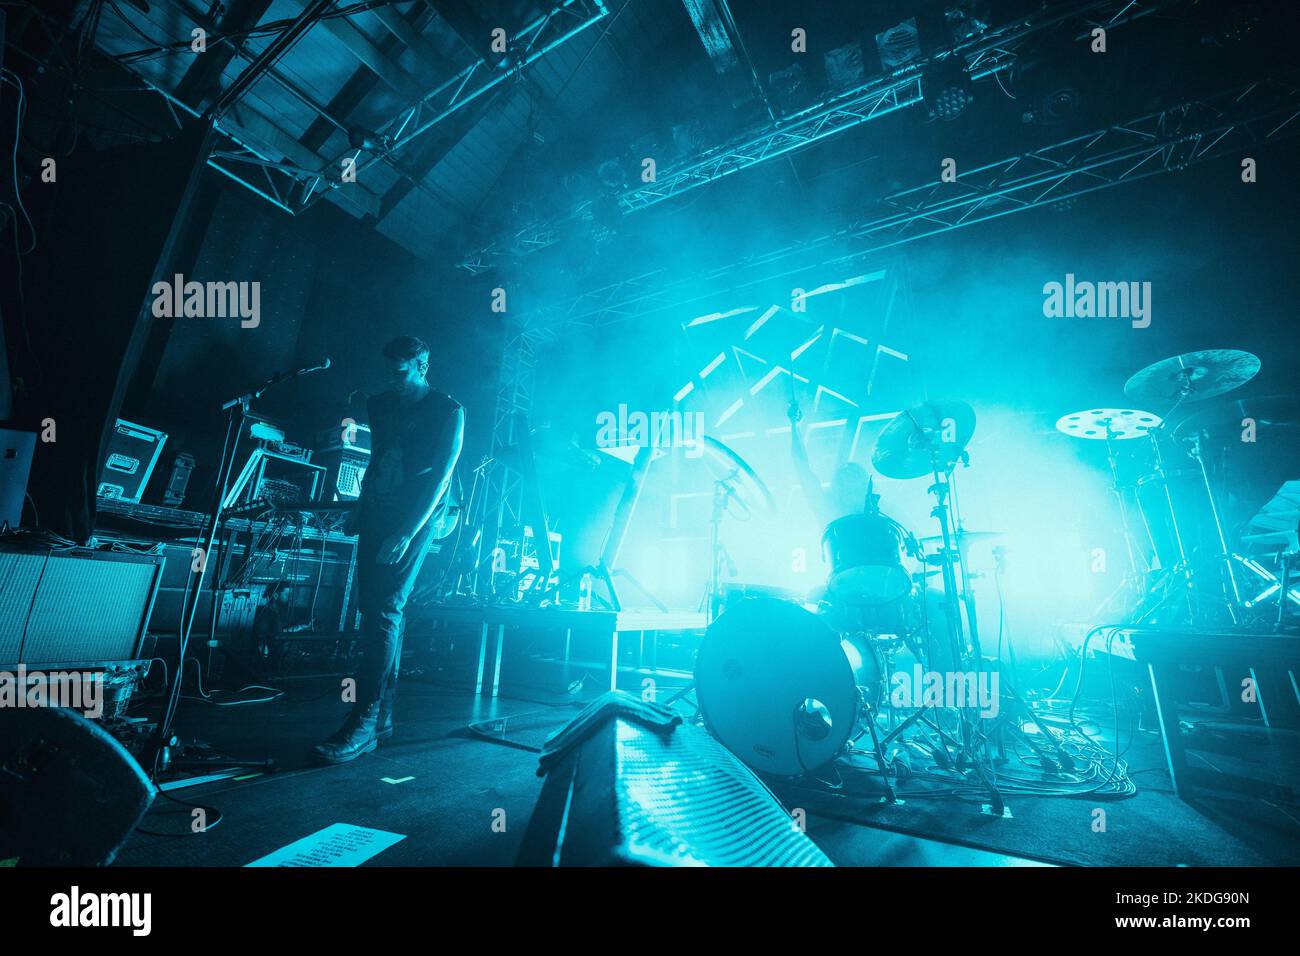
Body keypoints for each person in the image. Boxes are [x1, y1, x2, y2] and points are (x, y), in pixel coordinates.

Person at [311, 335, 464, 764]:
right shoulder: (379, 405)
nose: (392, 379)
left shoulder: (448, 410)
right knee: (373, 611)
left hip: (415, 518)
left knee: (385, 611)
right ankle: (381, 716)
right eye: (388, 371)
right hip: (377, 511)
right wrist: (362, 506)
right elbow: (377, 457)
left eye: (401, 372)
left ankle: (362, 721)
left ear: (422, 366)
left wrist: (408, 531)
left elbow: (442, 476)